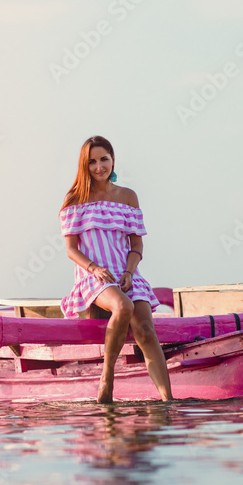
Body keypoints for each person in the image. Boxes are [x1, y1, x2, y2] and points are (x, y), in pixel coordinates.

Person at [60, 135, 174, 404]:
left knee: (146, 329)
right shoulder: (75, 199)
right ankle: (107, 378)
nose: (99, 166)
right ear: (84, 166)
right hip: (93, 277)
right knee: (123, 307)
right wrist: (94, 268)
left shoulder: (128, 197)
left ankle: (168, 400)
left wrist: (130, 273)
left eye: (104, 159)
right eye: (92, 162)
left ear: (113, 160)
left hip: (126, 274)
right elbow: (71, 249)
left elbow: (136, 244)